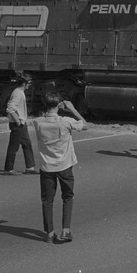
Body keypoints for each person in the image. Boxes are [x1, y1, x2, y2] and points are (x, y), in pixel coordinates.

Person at [29, 91, 88, 244]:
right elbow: (85, 125)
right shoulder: (66, 121)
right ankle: (66, 230)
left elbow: (42, 118)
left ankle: (49, 233)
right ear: (59, 105)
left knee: (47, 200)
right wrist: (73, 109)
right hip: (64, 165)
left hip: (46, 166)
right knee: (67, 197)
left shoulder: (37, 122)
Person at [3, 73, 38, 175]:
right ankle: (8, 169)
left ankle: (30, 167)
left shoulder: (20, 92)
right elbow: (10, 108)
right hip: (17, 124)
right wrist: (17, 121)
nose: (30, 85)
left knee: (27, 144)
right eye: (29, 82)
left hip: (21, 123)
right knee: (13, 147)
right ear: (24, 83)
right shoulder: (18, 93)